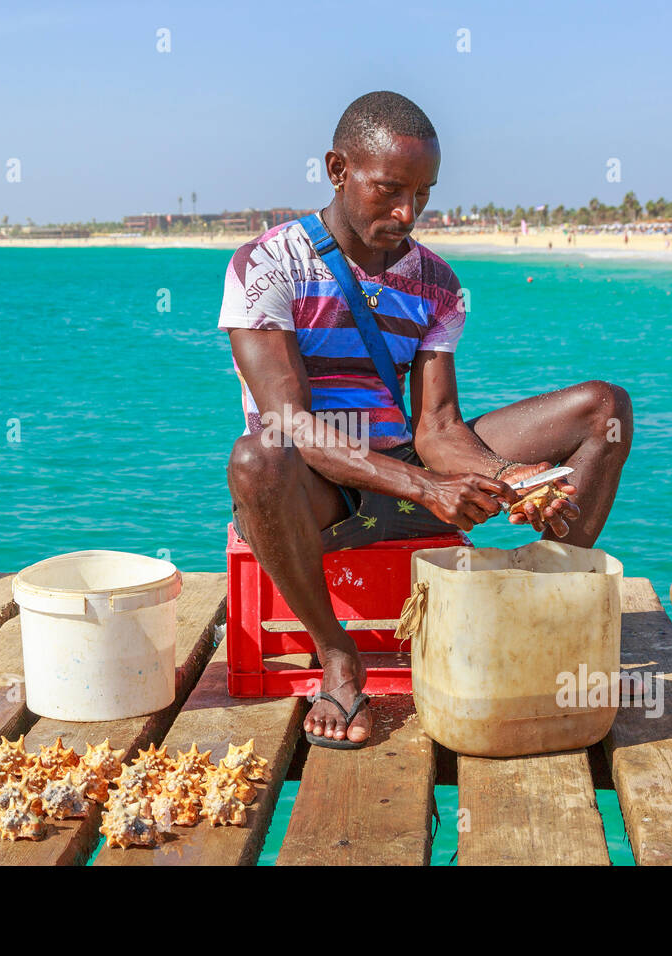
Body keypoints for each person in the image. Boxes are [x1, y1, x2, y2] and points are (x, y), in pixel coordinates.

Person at [217, 91, 632, 747]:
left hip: (408, 475)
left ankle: (540, 604)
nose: (407, 213)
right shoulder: (267, 265)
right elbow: (290, 424)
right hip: (320, 498)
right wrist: (426, 488)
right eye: (389, 190)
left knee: (604, 407)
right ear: (337, 169)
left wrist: (513, 478)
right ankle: (338, 656)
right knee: (256, 455)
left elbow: (437, 429)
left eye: (423, 194)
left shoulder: (435, 280)